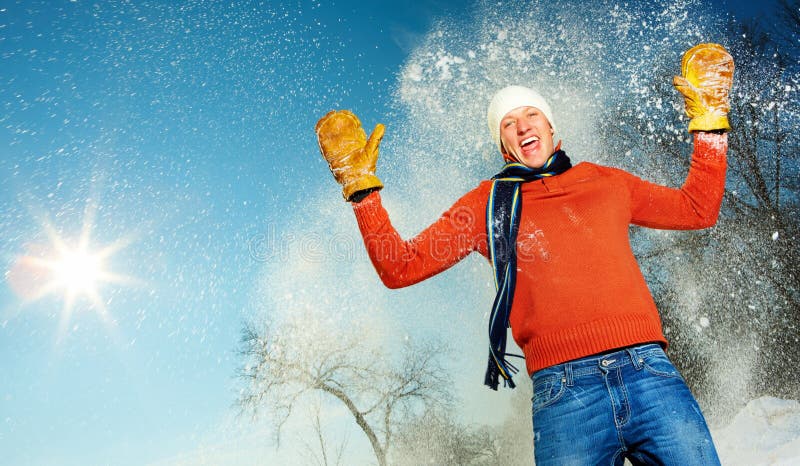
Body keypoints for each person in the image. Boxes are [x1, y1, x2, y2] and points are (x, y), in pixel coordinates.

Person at [315, 43, 733, 465]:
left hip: (649, 372)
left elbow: (697, 209)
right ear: (504, 147)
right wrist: (362, 190)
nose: (522, 126)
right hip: (565, 396)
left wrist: (711, 125)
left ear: (552, 127)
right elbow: (399, 267)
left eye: (531, 114)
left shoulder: (606, 182)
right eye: (508, 123)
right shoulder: (486, 204)